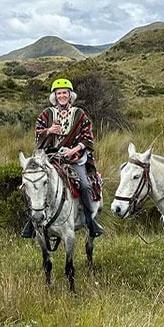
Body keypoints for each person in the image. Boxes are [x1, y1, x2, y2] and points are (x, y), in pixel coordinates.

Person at [23, 78, 104, 238]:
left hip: (74, 158)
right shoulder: (46, 114)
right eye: (59, 93)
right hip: (49, 158)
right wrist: (49, 131)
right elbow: (37, 134)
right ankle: (31, 223)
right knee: (31, 184)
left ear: (70, 95)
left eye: (64, 93)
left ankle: (90, 221)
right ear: (54, 96)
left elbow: (88, 137)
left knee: (85, 186)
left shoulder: (79, 114)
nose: (62, 96)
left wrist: (73, 150)